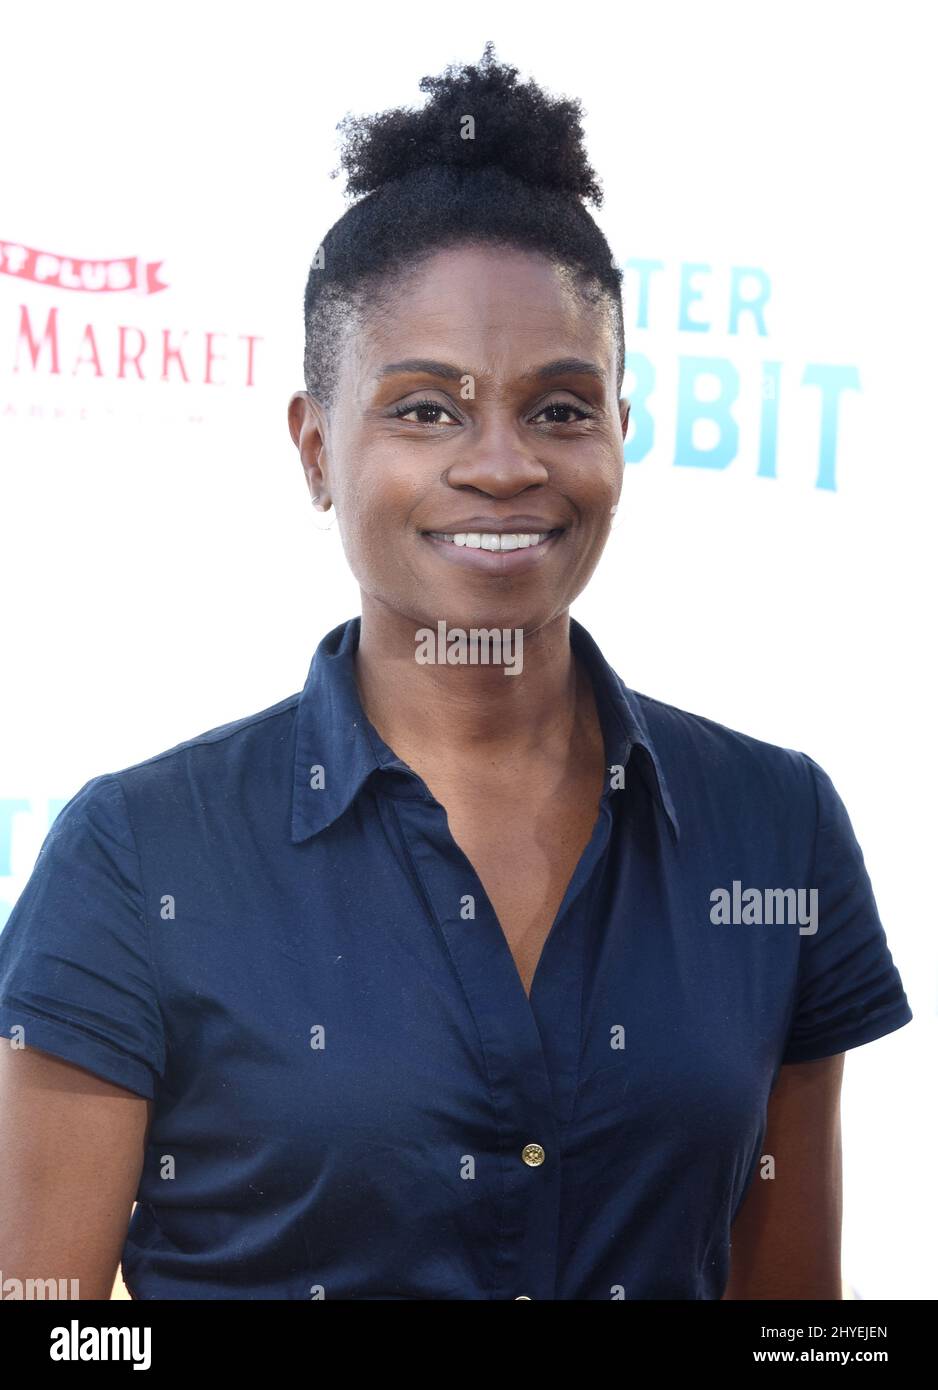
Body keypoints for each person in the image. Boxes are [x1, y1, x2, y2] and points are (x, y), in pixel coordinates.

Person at [0, 43, 912, 1301]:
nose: (501, 464)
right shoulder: (138, 852)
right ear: (316, 447)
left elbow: (793, 1321)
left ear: (619, 438)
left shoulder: (775, 828)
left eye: (557, 408)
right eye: (426, 409)